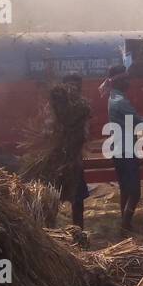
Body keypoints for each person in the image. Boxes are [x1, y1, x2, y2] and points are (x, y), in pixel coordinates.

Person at [106, 64, 143, 231]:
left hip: (118, 149)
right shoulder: (121, 102)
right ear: (120, 81)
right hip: (126, 151)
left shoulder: (112, 97)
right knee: (135, 192)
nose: (129, 82)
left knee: (124, 189)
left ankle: (124, 219)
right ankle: (126, 223)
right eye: (126, 79)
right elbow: (139, 122)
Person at [61, 73, 90, 228]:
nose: (74, 90)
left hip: (75, 161)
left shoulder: (82, 109)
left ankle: (78, 233)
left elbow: (84, 135)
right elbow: (47, 133)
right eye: (70, 86)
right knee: (51, 199)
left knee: (77, 200)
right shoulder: (54, 108)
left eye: (77, 87)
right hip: (57, 161)